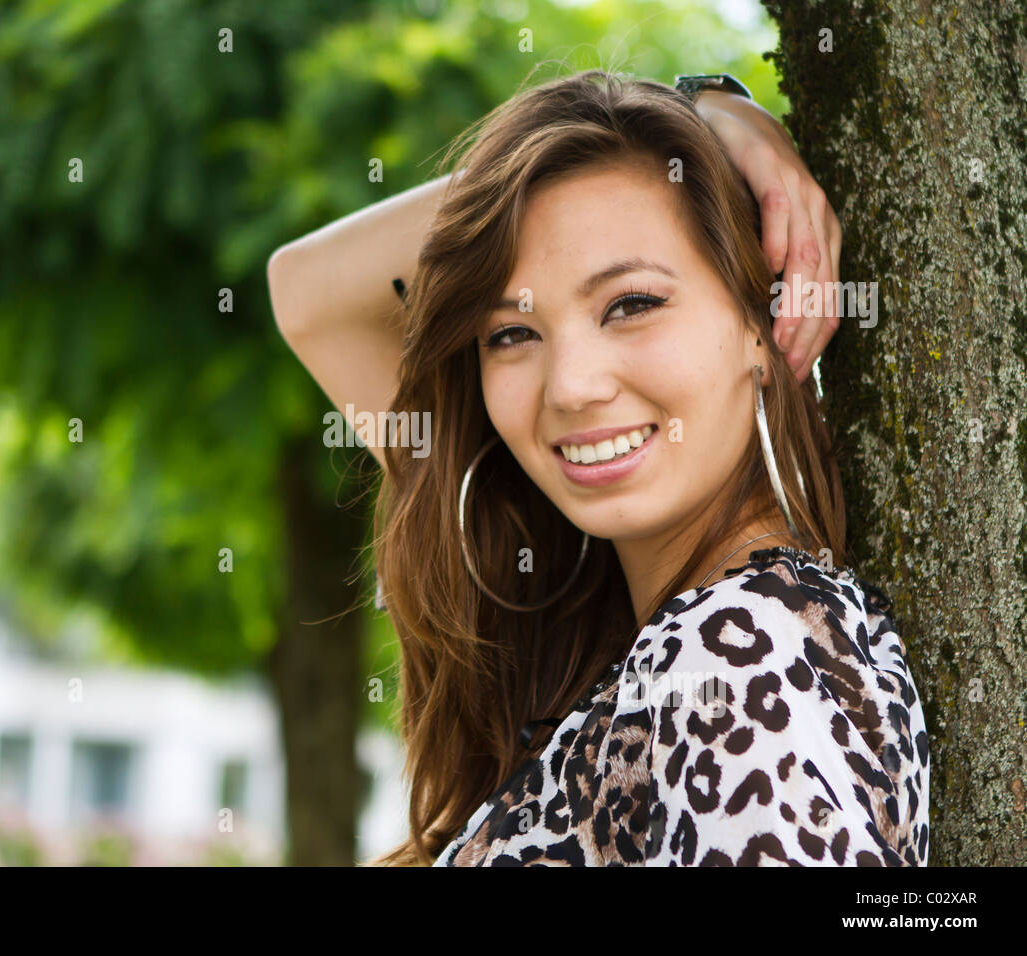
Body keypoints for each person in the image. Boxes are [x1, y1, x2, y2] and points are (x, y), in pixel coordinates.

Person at [266, 69, 928, 866]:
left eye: (631, 304)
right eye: (510, 333)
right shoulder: (644, 644)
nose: (572, 387)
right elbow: (308, 295)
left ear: (765, 320)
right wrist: (704, 113)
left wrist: (702, 134)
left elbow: (309, 296)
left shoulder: (742, 654)